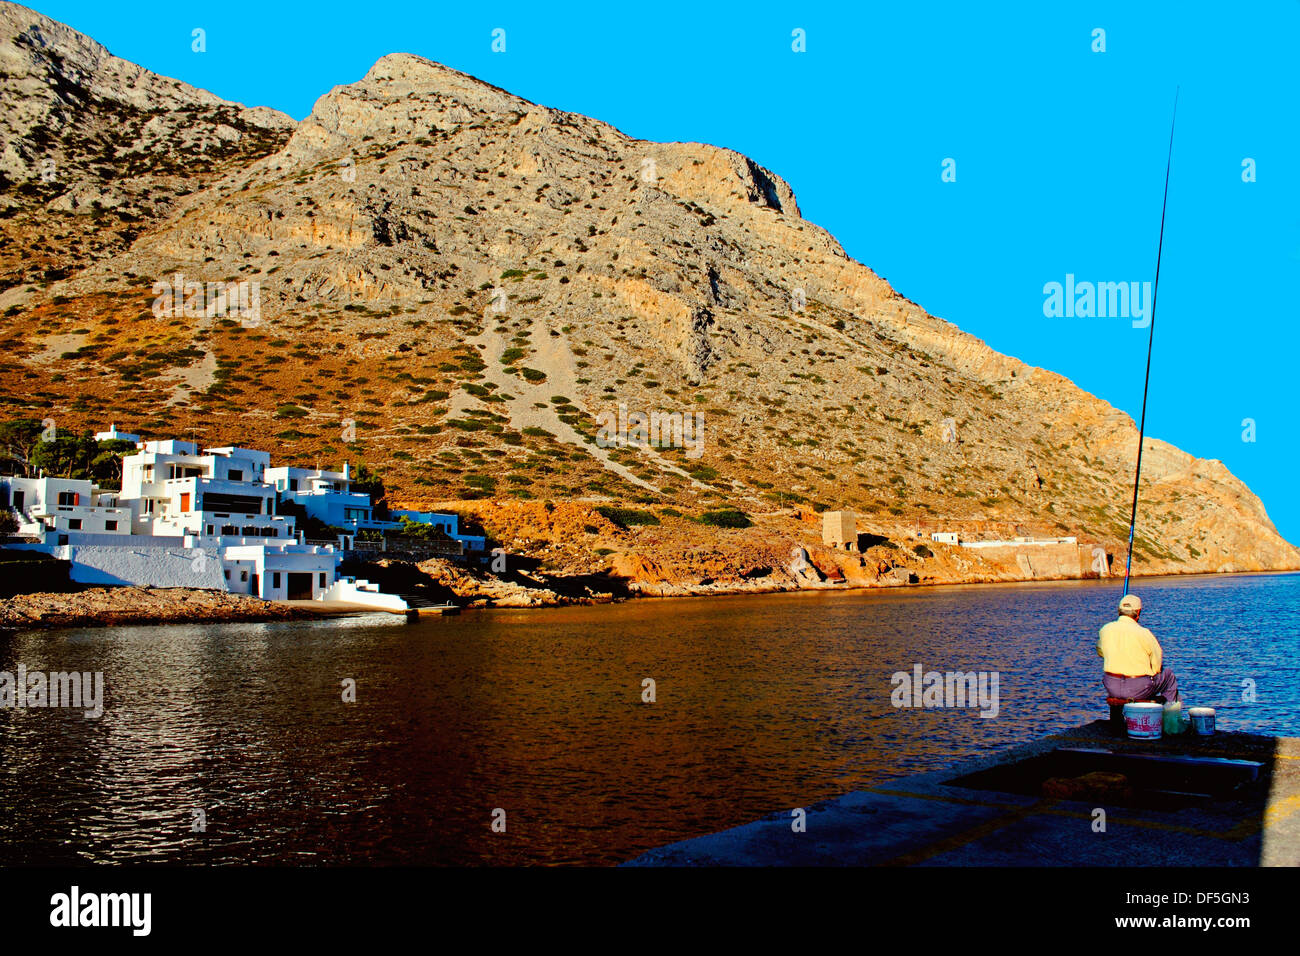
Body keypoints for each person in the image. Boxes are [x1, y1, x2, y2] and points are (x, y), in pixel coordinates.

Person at [1097, 593, 1180, 702]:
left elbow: (1100, 652)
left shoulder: (1105, 630)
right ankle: (1170, 713)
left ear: (1119, 611)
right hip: (1139, 688)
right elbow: (1156, 666)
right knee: (1168, 675)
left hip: (1112, 686)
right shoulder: (1144, 633)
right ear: (1138, 612)